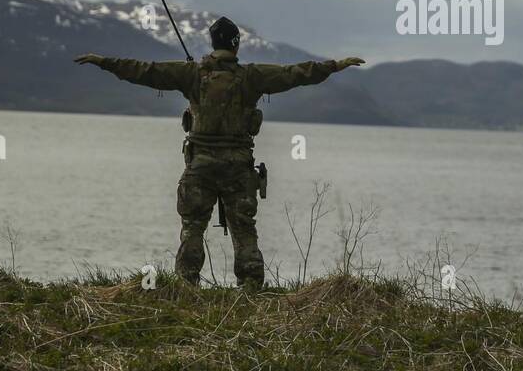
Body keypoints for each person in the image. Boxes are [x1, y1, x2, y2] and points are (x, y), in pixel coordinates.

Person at [75, 17, 363, 287]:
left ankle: (186, 286)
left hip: (200, 165)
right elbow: (295, 74)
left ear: (213, 43)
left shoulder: (191, 74)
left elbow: (144, 71)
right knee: (244, 230)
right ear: (235, 44)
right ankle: (251, 289)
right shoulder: (253, 77)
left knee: (192, 228)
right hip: (238, 168)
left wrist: (104, 62)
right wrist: (334, 65)